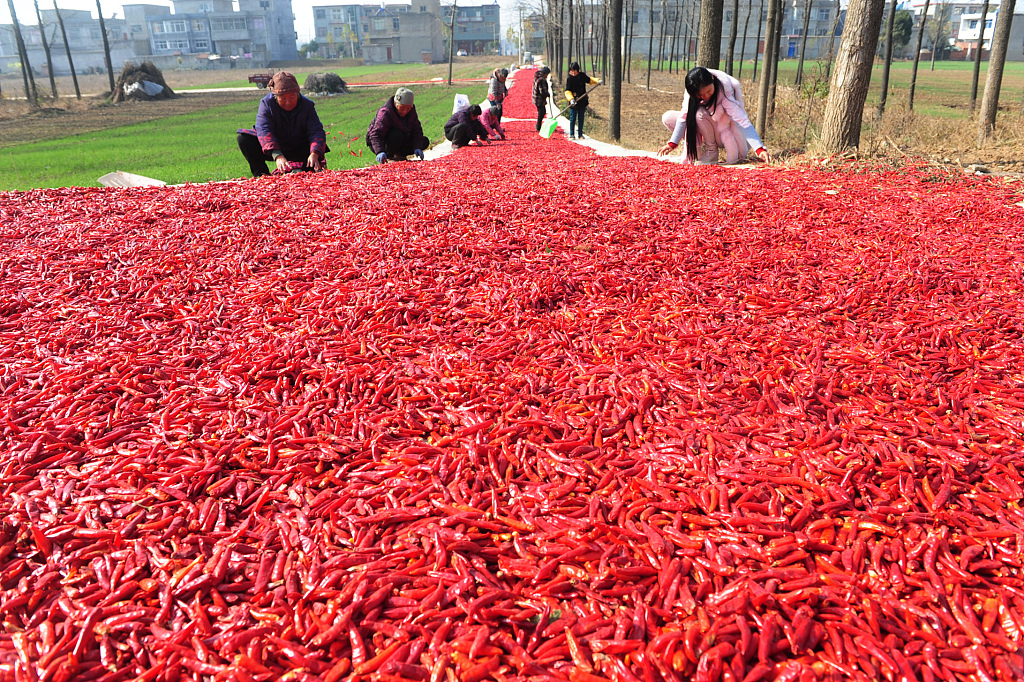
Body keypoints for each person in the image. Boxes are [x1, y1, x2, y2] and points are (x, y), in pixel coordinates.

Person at [657, 67, 771, 166]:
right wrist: (672, 143)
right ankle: (696, 150)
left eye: (708, 91)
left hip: (722, 131)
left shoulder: (724, 91)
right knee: (669, 117)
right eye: (701, 95)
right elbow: (683, 117)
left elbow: (742, 121)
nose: (706, 96)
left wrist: (759, 149)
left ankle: (711, 151)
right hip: (706, 127)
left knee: (699, 113)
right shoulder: (691, 94)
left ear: (712, 79)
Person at [236, 71, 328, 177]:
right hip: (275, 147)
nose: (288, 102)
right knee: (244, 139)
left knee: (308, 174)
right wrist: (277, 155)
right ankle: (261, 175)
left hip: (299, 146)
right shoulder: (267, 104)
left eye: (292, 97)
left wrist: (315, 153)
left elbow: (316, 131)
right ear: (275, 96)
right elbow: (264, 130)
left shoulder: (307, 105)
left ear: (297, 94)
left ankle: (307, 168)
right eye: (283, 98)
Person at [367, 87, 429, 163]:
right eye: (402, 108)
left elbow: (417, 130)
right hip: (383, 142)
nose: (405, 111)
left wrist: (417, 147)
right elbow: (375, 135)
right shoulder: (385, 113)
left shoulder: (411, 111)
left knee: (424, 141)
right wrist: (380, 151)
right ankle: (390, 156)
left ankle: (400, 155)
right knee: (397, 134)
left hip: (401, 139)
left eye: (408, 108)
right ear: (396, 103)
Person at [564, 62, 601, 140]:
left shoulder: (582, 76)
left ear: (578, 70)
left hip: (582, 101)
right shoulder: (569, 79)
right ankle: (572, 134)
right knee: (573, 118)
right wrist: (571, 99)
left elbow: (589, 80)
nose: (573, 73)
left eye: (575, 71)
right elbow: (567, 91)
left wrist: (597, 81)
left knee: (581, 118)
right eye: (572, 71)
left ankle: (580, 134)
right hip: (574, 101)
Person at [533, 66, 551, 132]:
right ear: (545, 73)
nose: (547, 76)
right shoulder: (541, 80)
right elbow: (542, 91)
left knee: (542, 112)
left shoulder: (537, 77)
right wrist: (547, 94)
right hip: (539, 99)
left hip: (536, 98)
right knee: (541, 112)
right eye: (547, 74)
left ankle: (538, 126)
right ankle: (538, 127)